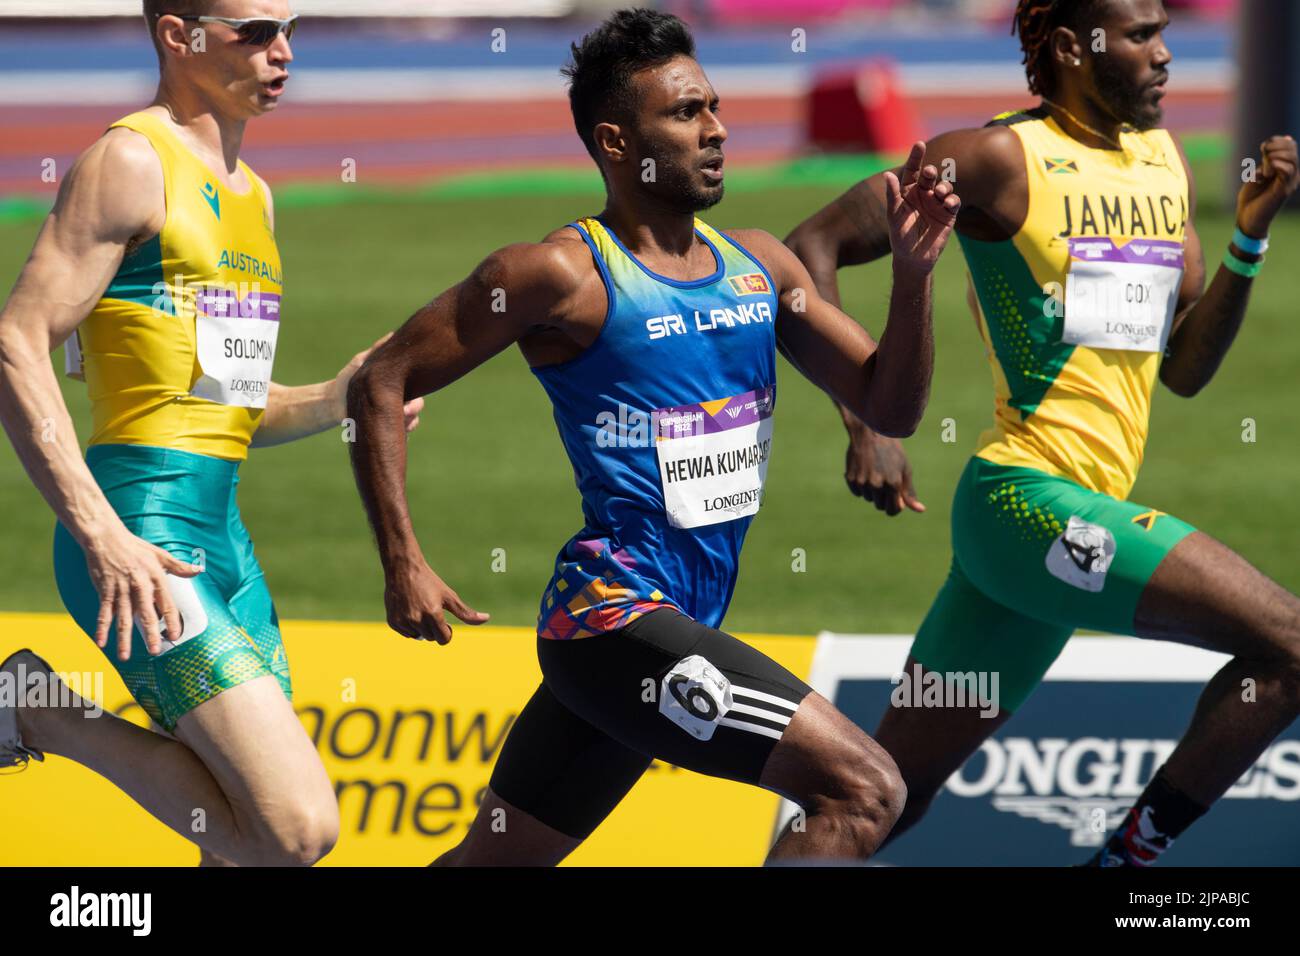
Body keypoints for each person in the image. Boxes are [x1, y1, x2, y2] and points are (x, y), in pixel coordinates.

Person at [346, 8, 961, 865]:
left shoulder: (761, 270)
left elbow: (889, 408)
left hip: (665, 630)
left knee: (492, 862)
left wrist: (912, 275)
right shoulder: (560, 275)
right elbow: (382, 380)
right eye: (683, 114)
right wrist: (403, 561)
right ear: (613, 141)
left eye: (712, 106)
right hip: (613, 622)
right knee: (864, 789)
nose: (715, 130)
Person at [784, 0, 1300, 865]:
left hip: (1044, 550)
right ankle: (1126, 860)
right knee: (1290, 642)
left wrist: (1247, 238)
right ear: (1072, 46)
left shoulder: (1163, 161)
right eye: (1142, 36)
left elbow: (1183, 369)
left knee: (876, 800)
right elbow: (811, 247)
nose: (1168, 55)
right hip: (1026, 503)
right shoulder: (993, 159)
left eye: (1165, 32)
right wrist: (864, 414)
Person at [0, 1, 419, 866]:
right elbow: (16, 339)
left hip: (223, 541)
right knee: (295, 829)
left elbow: (227, 404)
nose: (284, 53)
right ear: (177, 35)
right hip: (140, 531)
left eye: (290, 30)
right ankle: (36, 705)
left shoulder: (251, 194)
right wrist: (100, 535)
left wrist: (340, 396)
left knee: (238, 850)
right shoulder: (127, 162)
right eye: (255, 33)